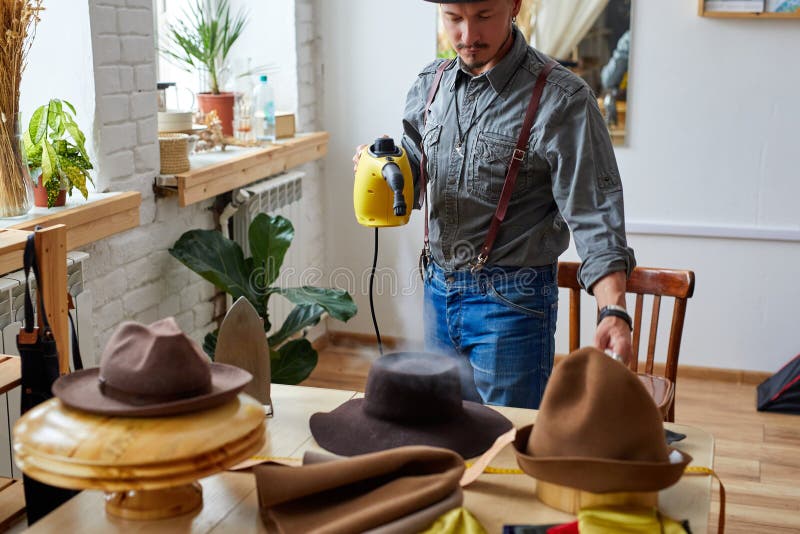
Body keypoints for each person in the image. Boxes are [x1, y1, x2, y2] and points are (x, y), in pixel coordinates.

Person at [353, 0, 636, 409]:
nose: (467, 36)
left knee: (504, 446)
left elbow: (595, 212)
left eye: (483, 16)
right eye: (453, 18)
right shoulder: (429, 85)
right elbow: (415, 180)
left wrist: (614, 310)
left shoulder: (562, 99)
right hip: (435, 292)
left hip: (511, 306)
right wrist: (384, 170)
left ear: (514, 5)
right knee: (442, 432)